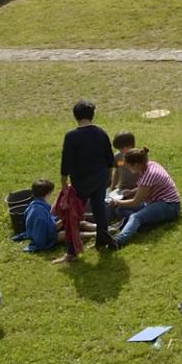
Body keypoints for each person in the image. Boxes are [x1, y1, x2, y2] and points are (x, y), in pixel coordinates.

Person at [59, 101, 116, 253]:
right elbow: (110, 158)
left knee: (73, 214)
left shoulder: (71, 136)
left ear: (75, 116)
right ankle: (102, 239)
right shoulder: (101, 133)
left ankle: (71, 250)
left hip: (81, 181)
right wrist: (109, 176)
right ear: (92, 115)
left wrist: (64, 184)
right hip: (101, 176)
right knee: (99, 209)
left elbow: (66, 161)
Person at [112, 149, 181, 246]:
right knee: (120, 209)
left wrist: (116, 202)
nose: (126, 167)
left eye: (128, 165)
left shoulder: (149, 175)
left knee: (135, 217)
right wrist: (132, 191)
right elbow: (145, 187)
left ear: (137, 164)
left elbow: (135, 202)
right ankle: (143, 224)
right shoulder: (150, 165)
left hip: (169, 206)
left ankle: (118, 241)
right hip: (154, 202)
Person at [14, 180, 59, 253]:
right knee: (66, 234)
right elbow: (51, 229)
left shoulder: (33, 205)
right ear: (48, 193)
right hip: (43, 237)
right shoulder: (41, 211)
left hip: (32, 232)